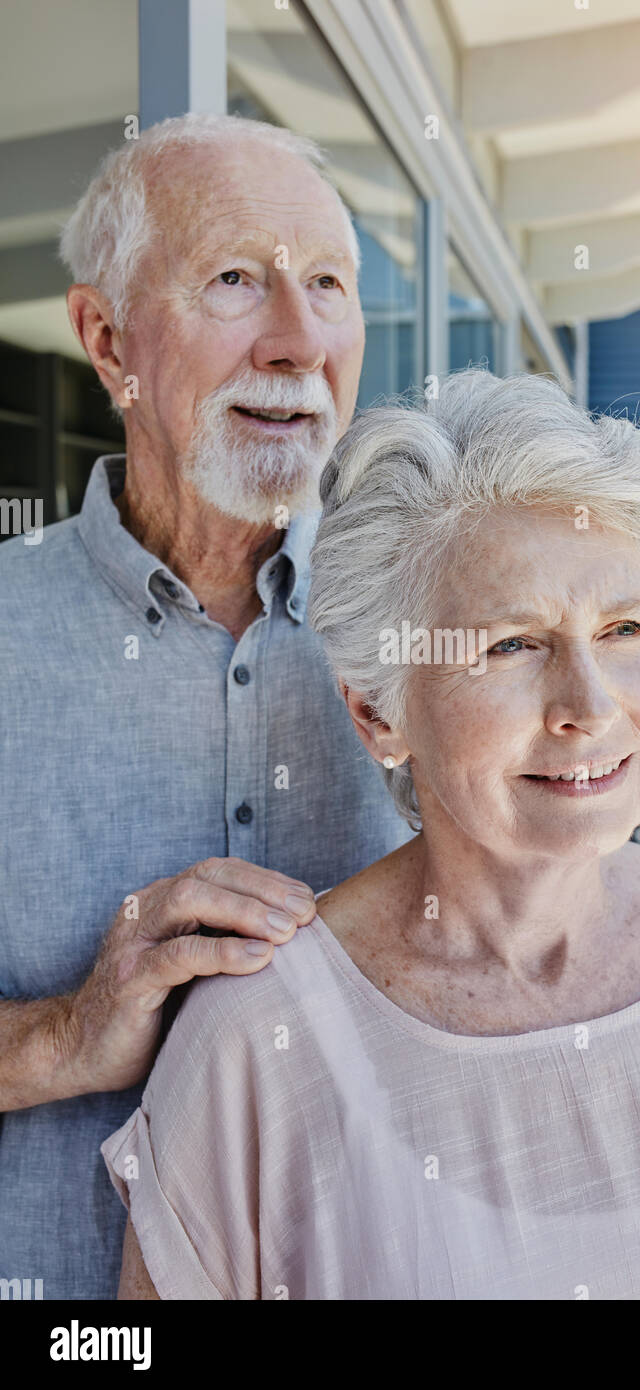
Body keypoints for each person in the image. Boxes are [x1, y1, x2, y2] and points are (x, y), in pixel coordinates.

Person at [103, 369, 640, 1300]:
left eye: (625, 628)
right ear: (379, 714)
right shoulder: (260, 1039)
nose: (589, 706)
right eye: (510, 645)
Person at [0, 112, 412, 1300]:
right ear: (105, 336)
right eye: (234, 278)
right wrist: (68, 1031)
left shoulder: (436, 636)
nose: (296, 341)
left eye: (327, 284)